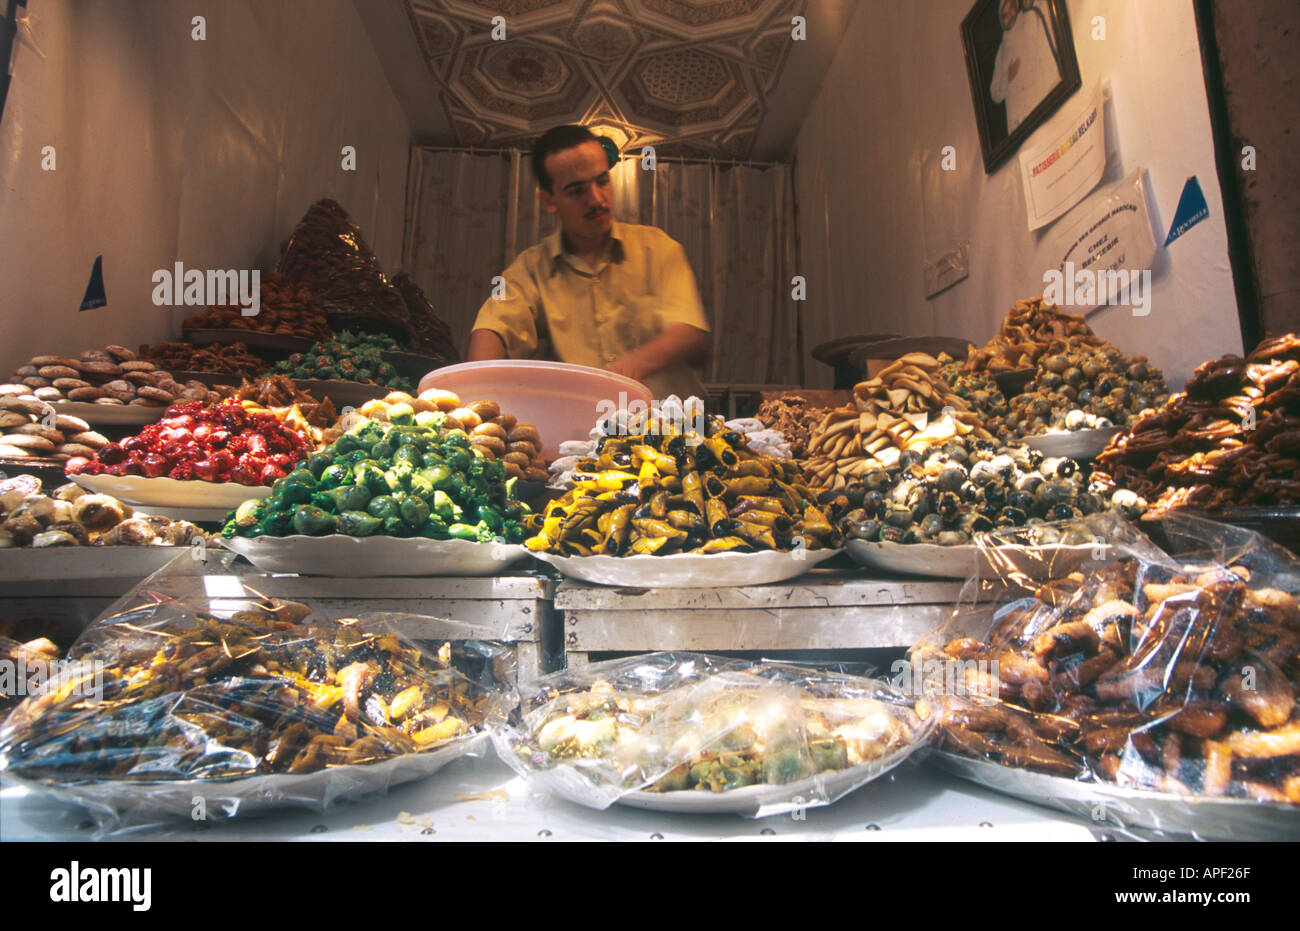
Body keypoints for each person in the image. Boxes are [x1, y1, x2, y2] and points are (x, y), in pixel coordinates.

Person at [467, 125, 712, 401]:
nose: (596, 199)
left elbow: (688, 331)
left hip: (678, 430)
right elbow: (491, 330)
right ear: (549, 201)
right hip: (590, 437)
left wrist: (626, 369)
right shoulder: (531, 268)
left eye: (602, 181)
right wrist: (479, 399)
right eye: (576, 191)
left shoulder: (659, 249)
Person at [989, 0, 1061, 135]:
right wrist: (1007, 78)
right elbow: (995, 94)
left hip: (1037, 102)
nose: (1009, 14)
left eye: (1011, 7)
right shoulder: (1002, 50)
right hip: (1017, 118)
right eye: (1004, 13)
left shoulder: (1029, 19)